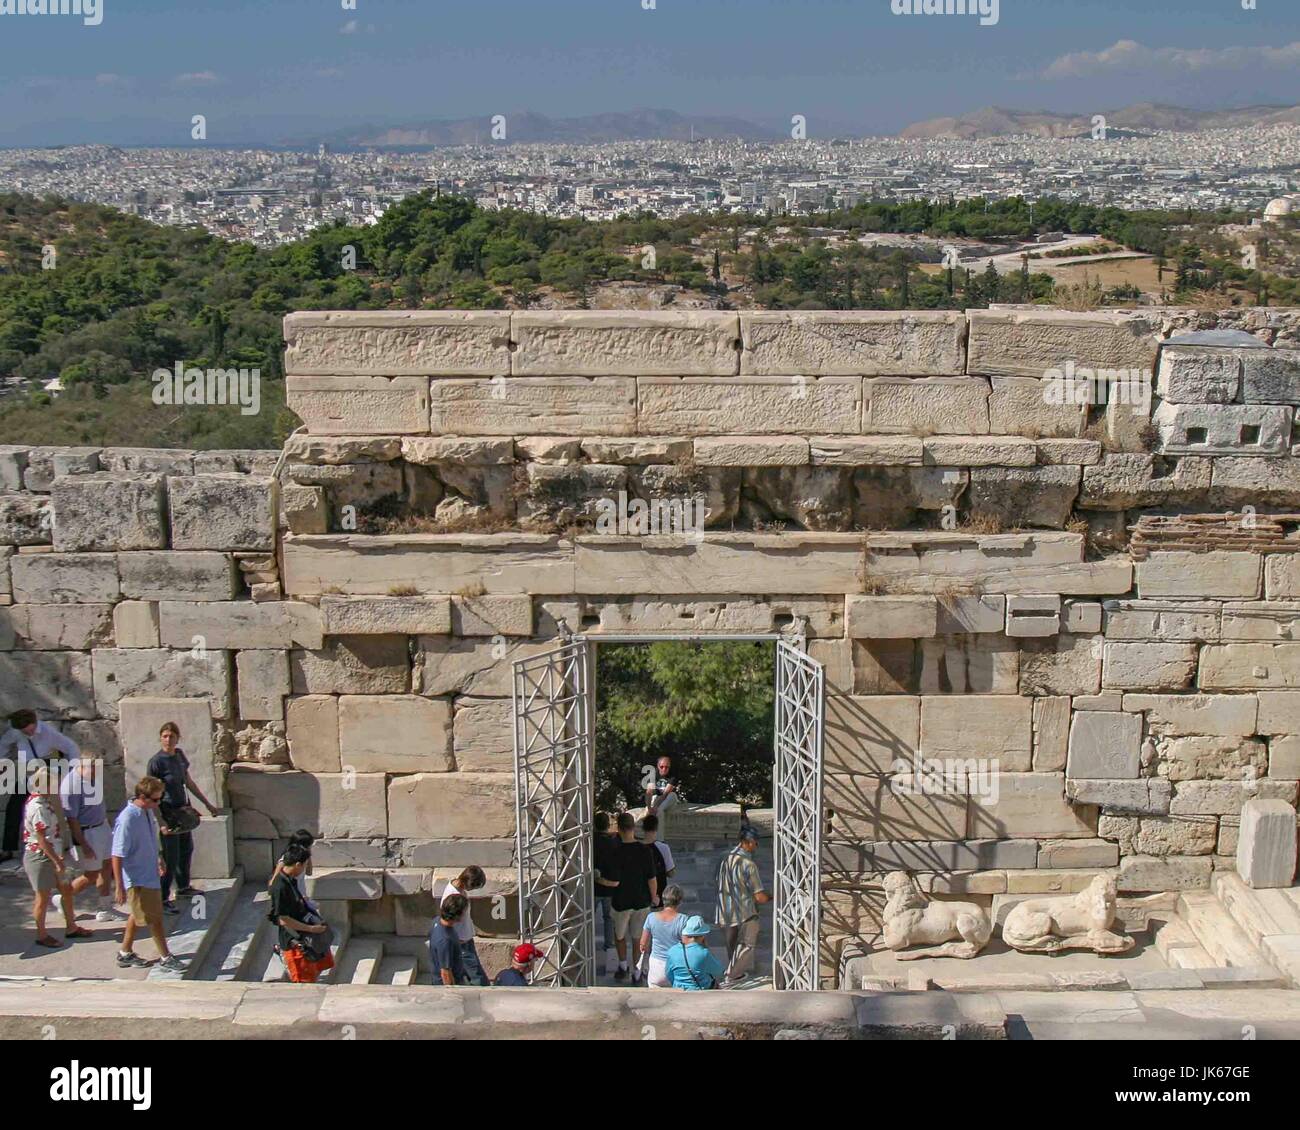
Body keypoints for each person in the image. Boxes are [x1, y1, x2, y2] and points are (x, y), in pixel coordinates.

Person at [111, 776, 184, 972]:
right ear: (142, 797)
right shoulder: (128, 819)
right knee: (155, 918)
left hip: (149, 872)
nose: (158, 803)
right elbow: (117, 854)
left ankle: (125, 952)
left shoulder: (146, 812)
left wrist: (158, 857)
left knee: (138, 914)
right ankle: (165, 956)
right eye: (155, 800)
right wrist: (119, 886)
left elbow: (149, 839)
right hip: (138, 877)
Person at [146, 721, 218, 914]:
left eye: (171, 736)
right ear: (160, 738)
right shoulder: (156, 762)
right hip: (167, 813)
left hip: (182, 811)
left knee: (186, 850)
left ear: (178, 738)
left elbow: (188, 782)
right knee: (170, 857)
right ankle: (162, 898)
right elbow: (150, 793)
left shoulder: (179, 756)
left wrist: (207, 803)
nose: (168, 740)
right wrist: (160, 822)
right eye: (165, 736)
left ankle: (184, 887)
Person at [21, 764, 88, 948]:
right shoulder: (37, 807)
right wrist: (57, 861)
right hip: (41, 857)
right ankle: (41, 935)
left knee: (66, 889)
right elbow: (42, 839)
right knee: (42, 897)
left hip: (53, 854)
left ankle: (71, 927)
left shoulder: (45, 801)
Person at [1, 709, 80, 862]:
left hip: (47, 768)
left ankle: (71, 840)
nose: (27, 733)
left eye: (29, 729)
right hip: (29, 771)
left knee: (59, 806)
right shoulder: (16, 732)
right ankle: (8, 848)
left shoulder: (48, 732)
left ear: (34, 723)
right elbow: (4, 744)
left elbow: (71, 747)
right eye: (24, 731)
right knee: (14, 807)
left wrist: (72, 771)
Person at [60, 755, 120, 923]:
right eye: (93, 770)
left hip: (102, 826)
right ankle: (64, 897)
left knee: (108, 865)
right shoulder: (71, 787)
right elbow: (72, 820)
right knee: (91, 874)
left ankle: (105, 907)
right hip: (88, 832)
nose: (96, 773)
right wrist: (84, 845)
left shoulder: (92, 777)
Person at [270, 845, 335, 984]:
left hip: (306, 934)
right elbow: (283, 919)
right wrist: (312, 929)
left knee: (317, 967)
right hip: (295, 940)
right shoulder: (280, 886)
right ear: (298, 864)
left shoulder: (290, 879)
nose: (304, 869)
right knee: (303, 981)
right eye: (304, 865)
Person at [715, 824, 771, 987]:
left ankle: (734, 974)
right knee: (747, 944)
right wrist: (773, 896)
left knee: (732, 946)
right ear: (748, 842)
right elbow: (760, 896)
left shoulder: (724, 857)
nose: (756, 846)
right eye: (755, 842)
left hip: (725, 909)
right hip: (745, 911)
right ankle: (731, 976)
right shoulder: (749, 864)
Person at [609, 811, 656, 984]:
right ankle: (636, 972)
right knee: (637, 938)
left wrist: (598, 879)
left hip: (621, 901)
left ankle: (622, 965)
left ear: (619, 828)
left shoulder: (615, 851)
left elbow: (613, 881)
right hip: (642, 901)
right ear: (633, 828)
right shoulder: (645, 850)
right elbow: (652, 879)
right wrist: (654, 897)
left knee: (620, 936)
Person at [439, 865, 488, 986]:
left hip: (465, 939)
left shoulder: (457, 888)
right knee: (478, 978)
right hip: (461, 942)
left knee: (468, 974)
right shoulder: (453, 896)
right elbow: (449, 919)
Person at [639, 883, 686, 988]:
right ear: (679, 901)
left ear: (663, 900)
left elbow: (643, 944)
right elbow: (686, 945)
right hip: (675, 968)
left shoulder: (651, 917)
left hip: (656, 967)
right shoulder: (683, 920)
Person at [664, 915, 725, 991]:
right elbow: (719, 971)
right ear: (702, 936)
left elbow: (669, 974)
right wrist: (707, 948)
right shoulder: (703, 953)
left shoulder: (672, 951)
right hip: (700, 991)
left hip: (678, 990)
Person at [592, 812, 619, 968]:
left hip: (593, 887)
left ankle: (587, 945)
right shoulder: (613, 843)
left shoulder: (590, 842)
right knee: (609, 919)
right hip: (609, 887)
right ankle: (609, 946)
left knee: (589, 919)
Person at [429, 893, 469, 986]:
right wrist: (453, 993)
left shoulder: (437, 920)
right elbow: (445, 973)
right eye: (464, 911)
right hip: (447, 984)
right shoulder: (445, 940)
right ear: (457, 915)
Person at [640, 813, 675, 909]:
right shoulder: (663, 847)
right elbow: (671, 873)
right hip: (659, 898)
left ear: (643, 828)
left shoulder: (636, 847)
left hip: (639, 899)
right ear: (656, 828)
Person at [644, 755, 679, 821]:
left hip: (669, 797)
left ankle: (658, 830)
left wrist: (655, 807)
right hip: (656, 797)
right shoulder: (653, 773)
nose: (664, 769)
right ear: (658, 766)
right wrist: (649, 807)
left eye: (667, 767)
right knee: (650, 810)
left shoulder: (673, 775)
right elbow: (649, 792)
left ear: (669, 766)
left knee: (659, 809)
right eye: (662, 767)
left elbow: (665, 794)